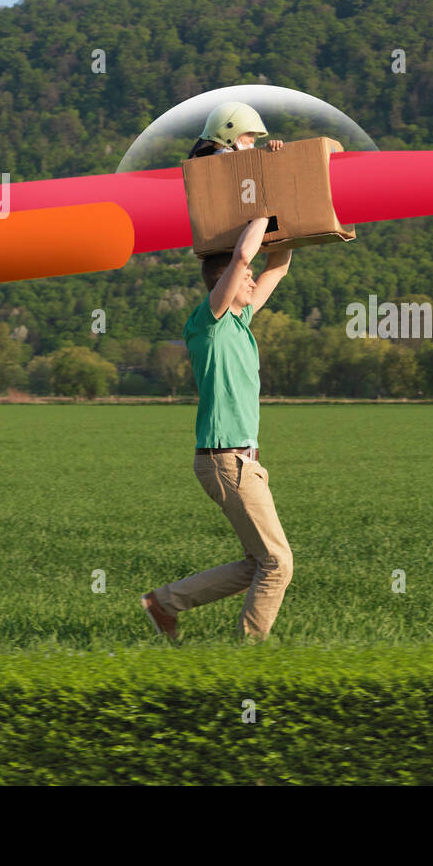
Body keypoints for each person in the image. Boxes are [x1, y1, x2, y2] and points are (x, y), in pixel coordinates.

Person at [141, 204, 295, 644]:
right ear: (223, 281)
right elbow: (244, 260)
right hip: (227, 461)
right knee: (278, 563)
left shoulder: (241, 322)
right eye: (243, 278)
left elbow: (277, 266)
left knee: (258, 562)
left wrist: (294, 209)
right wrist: (264, 206)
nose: (251, 280)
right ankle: (247, 653)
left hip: (242, 462)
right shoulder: (207, 324)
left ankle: (164, 603)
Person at [185, 100, 284, 158]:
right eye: (249, 134)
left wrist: (271, 148)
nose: (253, 140)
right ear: (228, 132)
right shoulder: (220, 160)